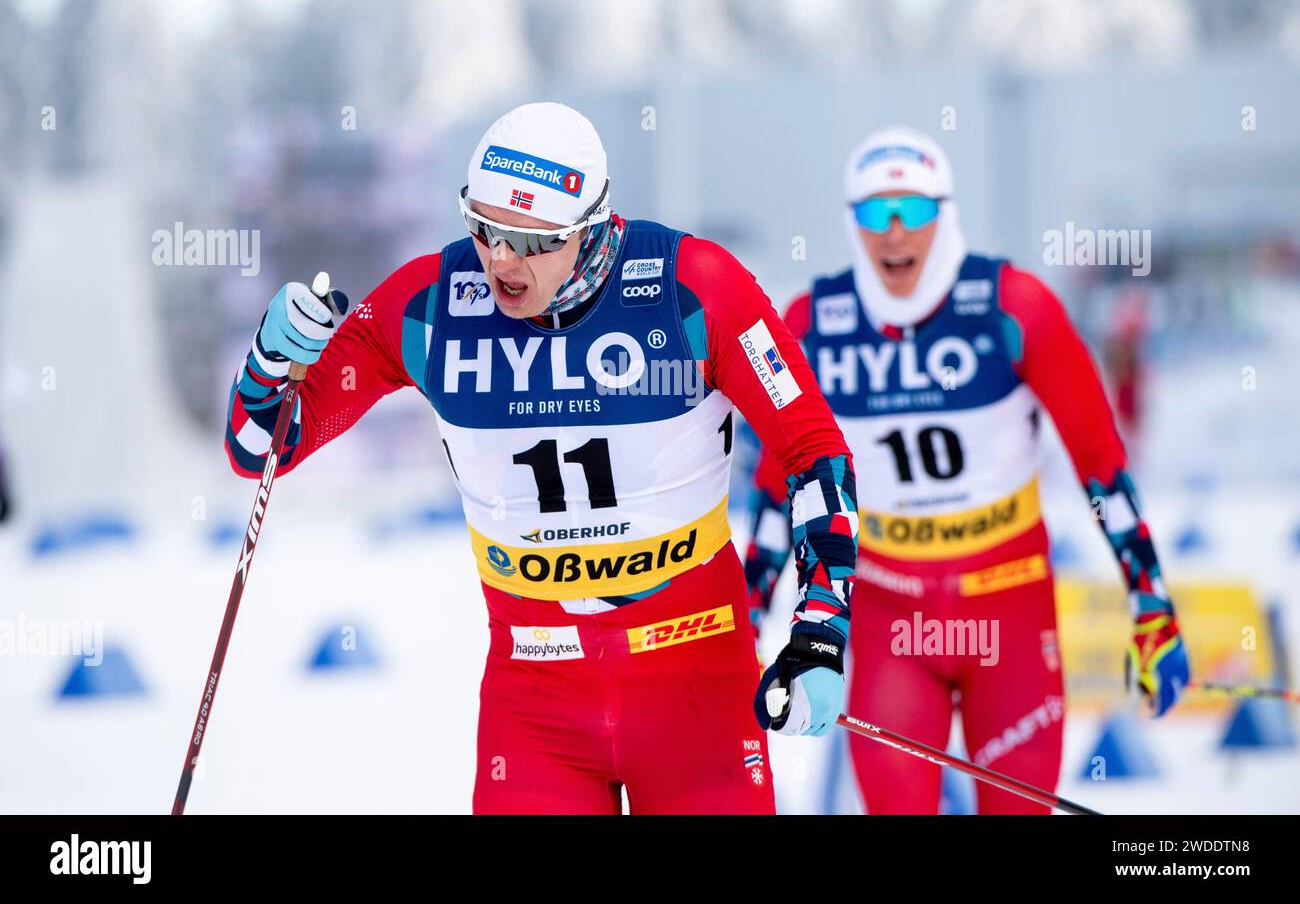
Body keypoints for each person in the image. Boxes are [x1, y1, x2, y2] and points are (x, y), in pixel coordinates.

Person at [224, 102, 859, 814]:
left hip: (695, 690)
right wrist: (272, 361)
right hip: (535, 706)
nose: (501, 260)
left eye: (532, 241)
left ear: (590, 233)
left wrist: (823, 629)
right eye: (485, 230)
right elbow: (264, 447)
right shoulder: (433, 305)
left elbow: (815, 452)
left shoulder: (695, 288)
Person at [743, 126, 1188, 814]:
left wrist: (1151, 603)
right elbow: (778, 487)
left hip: (1008, 609)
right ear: (851, 223)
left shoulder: (1016, 307)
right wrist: (748, 612)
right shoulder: (812, 322)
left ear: (943, 214)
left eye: (913, 212)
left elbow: (1101, 467)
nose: (894, 234)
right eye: (873, 214)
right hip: (892, 619)